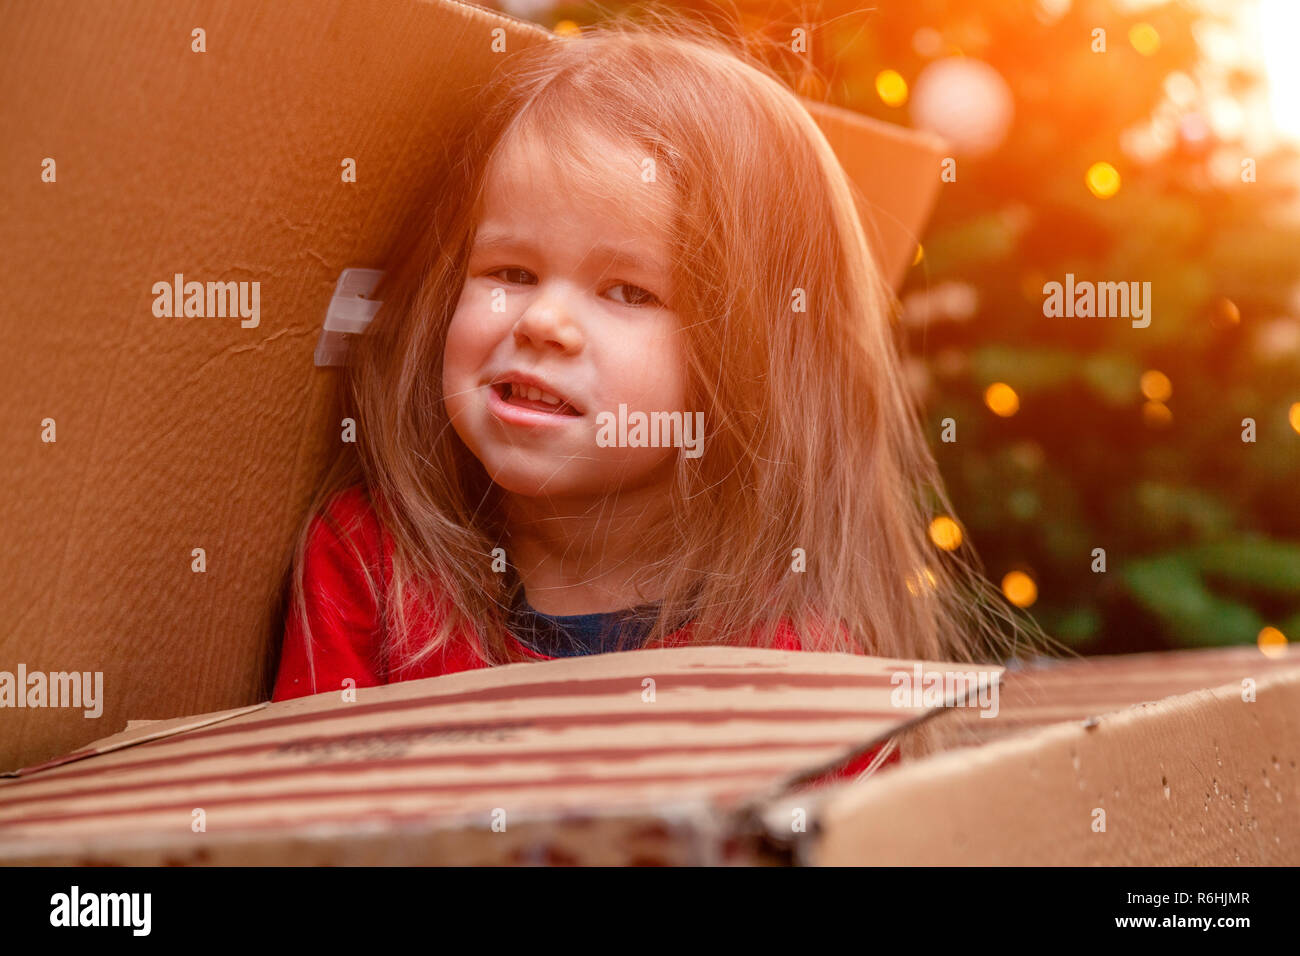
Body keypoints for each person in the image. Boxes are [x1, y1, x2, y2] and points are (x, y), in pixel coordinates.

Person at [270, 18, 1048, 779]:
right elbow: (290, 826)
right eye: (510, 272)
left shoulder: (792, 669)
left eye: (627, 291)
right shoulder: (373, 562)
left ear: (747, 365)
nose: (544, 321)